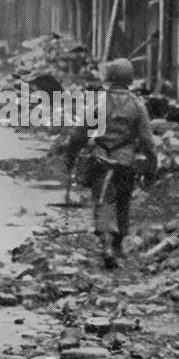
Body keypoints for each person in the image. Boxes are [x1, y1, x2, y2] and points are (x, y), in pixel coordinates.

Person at [64, 57, 158, 269]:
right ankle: (117, 245)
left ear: (110, 77)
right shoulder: (137, 104)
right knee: (123, 202)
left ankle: (106, 244)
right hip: (125, 162)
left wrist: (71, 155)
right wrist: (152, 166)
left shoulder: (98, 101)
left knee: (103, 201)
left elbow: (80, 133)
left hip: (100, 159)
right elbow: (147, 141)